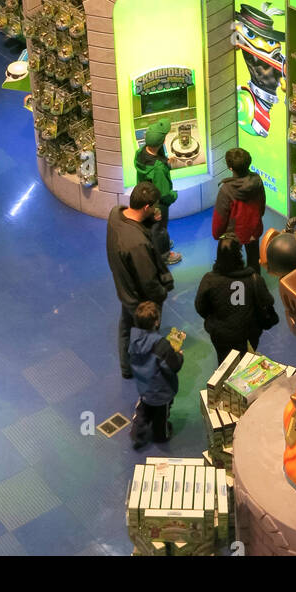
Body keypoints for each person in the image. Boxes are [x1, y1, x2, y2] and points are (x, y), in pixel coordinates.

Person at [106, 181, 174, 380]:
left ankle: (126, 368)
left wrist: (151, 220)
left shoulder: (115, 214)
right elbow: (149, 281)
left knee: (125, 328)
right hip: (140, 299)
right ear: (147, 207)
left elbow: (136, 226)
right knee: (147, 336)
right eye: (153, 206)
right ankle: (148, 370)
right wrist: (161, 294)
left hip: (125, 289)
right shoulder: (137, 244)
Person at [195, 240, 279, 365]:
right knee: (247, 363)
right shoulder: (254, 278)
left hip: (221, 334)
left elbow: (200, 307)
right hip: (249, 334)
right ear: (239, 255)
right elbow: (268, 300)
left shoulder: (209, 280)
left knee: (225, 364)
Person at [128, 301, 183, 448]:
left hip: (144, 387)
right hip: (161, 391)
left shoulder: (133, 339)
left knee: (143, 410)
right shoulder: (161, 345)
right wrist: (178, 355)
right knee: (161, 416)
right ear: (156, 322)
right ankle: (161, 435)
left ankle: (137, 432)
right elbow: (174, 366)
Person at [133, 119, 181, 265]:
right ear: (162, 141)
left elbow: (151, 166)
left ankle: (157, 244)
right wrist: (174, 195)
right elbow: (164, 194)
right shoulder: (159, 169)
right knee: (160, 228)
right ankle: (164, 254)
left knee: (151, 225)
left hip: (145, 197)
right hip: (158, 204)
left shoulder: (140, 153)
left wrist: (165, 161)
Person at [211, 147, 266, 271]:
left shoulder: (226, 190)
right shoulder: (257, 181)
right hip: (253, 229)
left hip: (233, 235)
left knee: (232, 262)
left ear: (230, 168)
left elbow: (220, 217)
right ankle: (254, 281)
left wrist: (217, 234)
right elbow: (262, 205)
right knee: (254, 259)